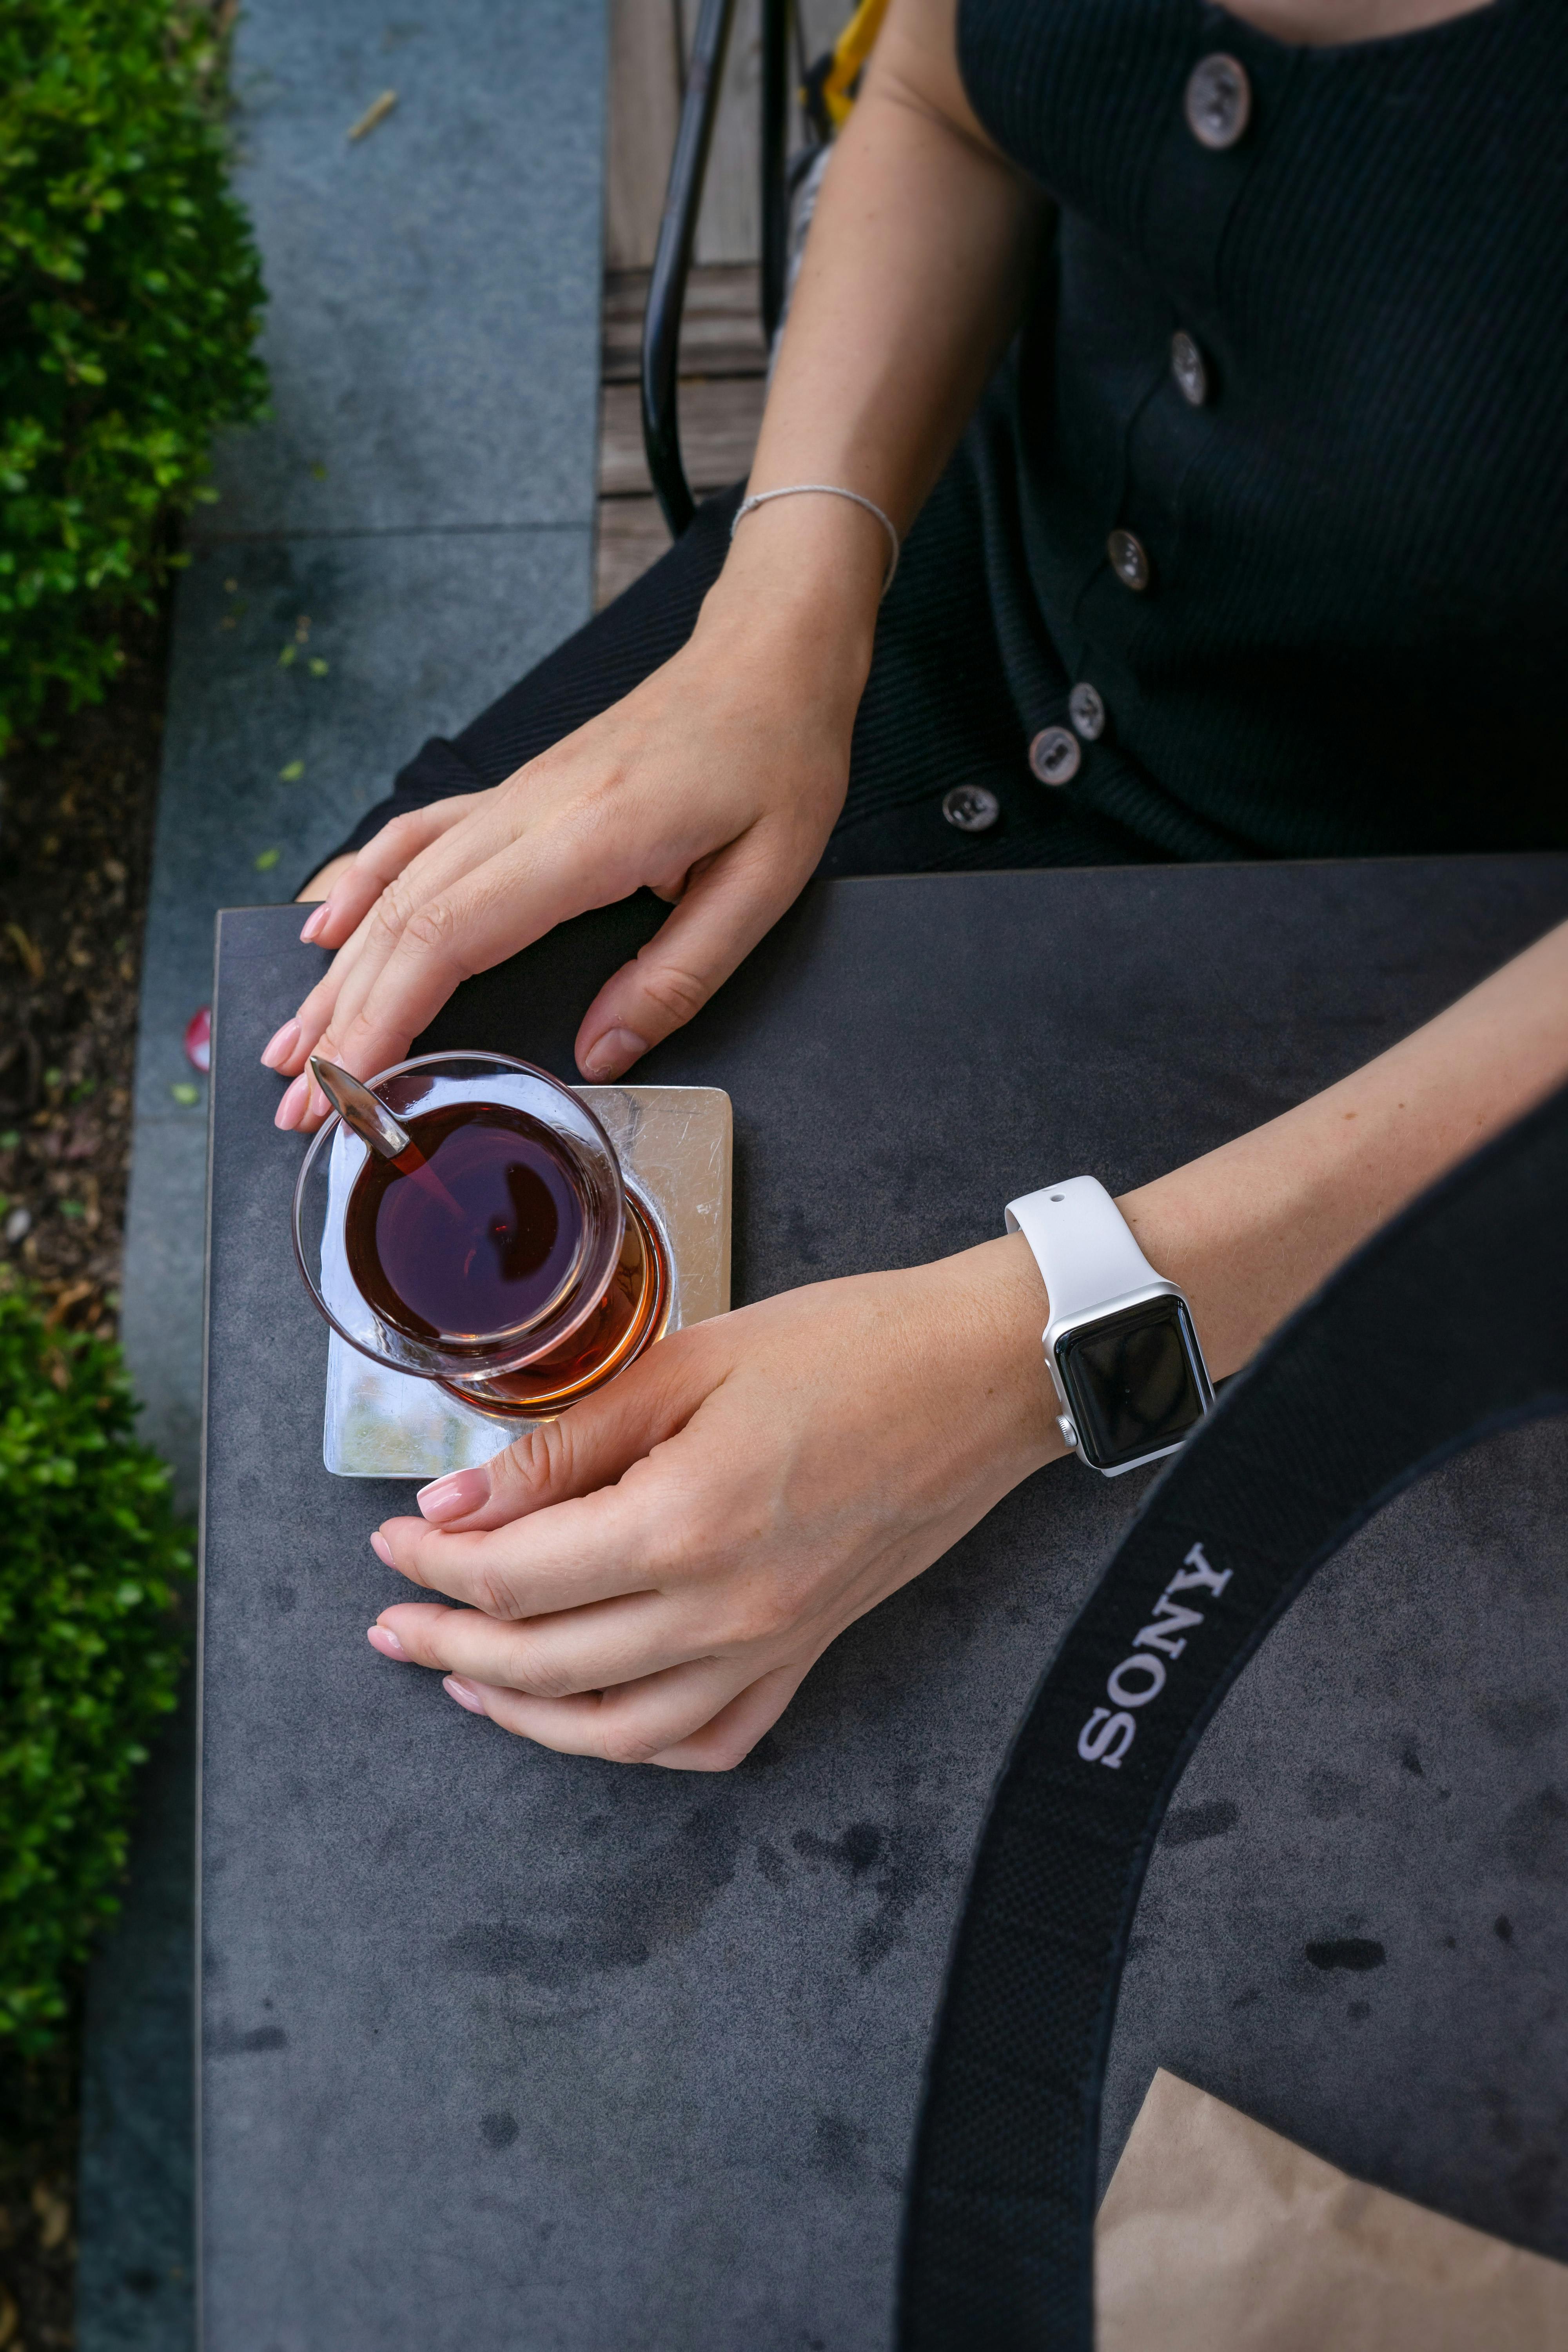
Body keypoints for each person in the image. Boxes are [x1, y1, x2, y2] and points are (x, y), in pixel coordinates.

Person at [260, 0, 1567, 1768]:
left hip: (1403, 991)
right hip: (905, 587)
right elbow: (948, 101)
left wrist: (1029, 1349)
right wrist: (776, 621)